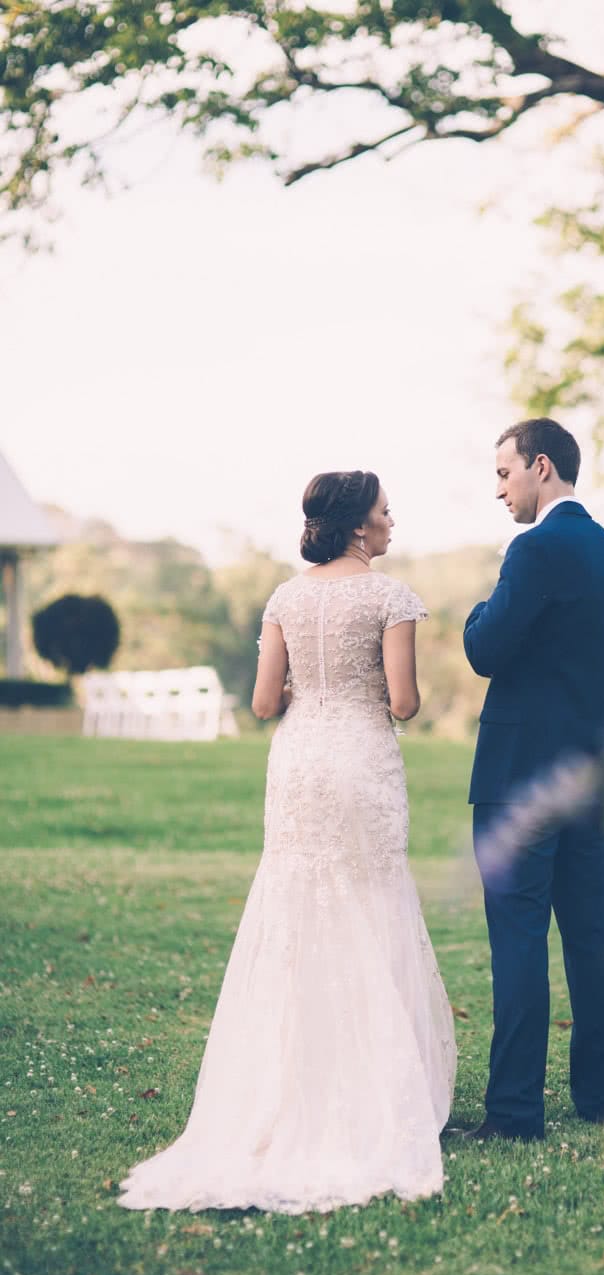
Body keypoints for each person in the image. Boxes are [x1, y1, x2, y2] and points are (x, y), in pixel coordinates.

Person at [118, 471, 456, 1214]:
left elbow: (265, 701)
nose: (392, 522)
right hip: (361, 758)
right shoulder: (391, 597)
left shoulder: (284, 598)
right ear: (359, 526)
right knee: (370, 901)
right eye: (386, 511)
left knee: (298, 903)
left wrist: (316, 694)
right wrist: (370, 692)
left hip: (300, 760)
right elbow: (404, 703)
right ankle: (370, 1089)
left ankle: (280, 1088)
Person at [463, 418, 604, 1142]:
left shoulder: (533, 549)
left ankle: (515, 1112)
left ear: (540, 466)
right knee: (592, 935)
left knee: (519, 937)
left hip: (522, 777)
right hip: (599, 775)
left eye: (504, 473)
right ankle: (601, 1098)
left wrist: (480, 610)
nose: (499, 490)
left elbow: (485, 649)